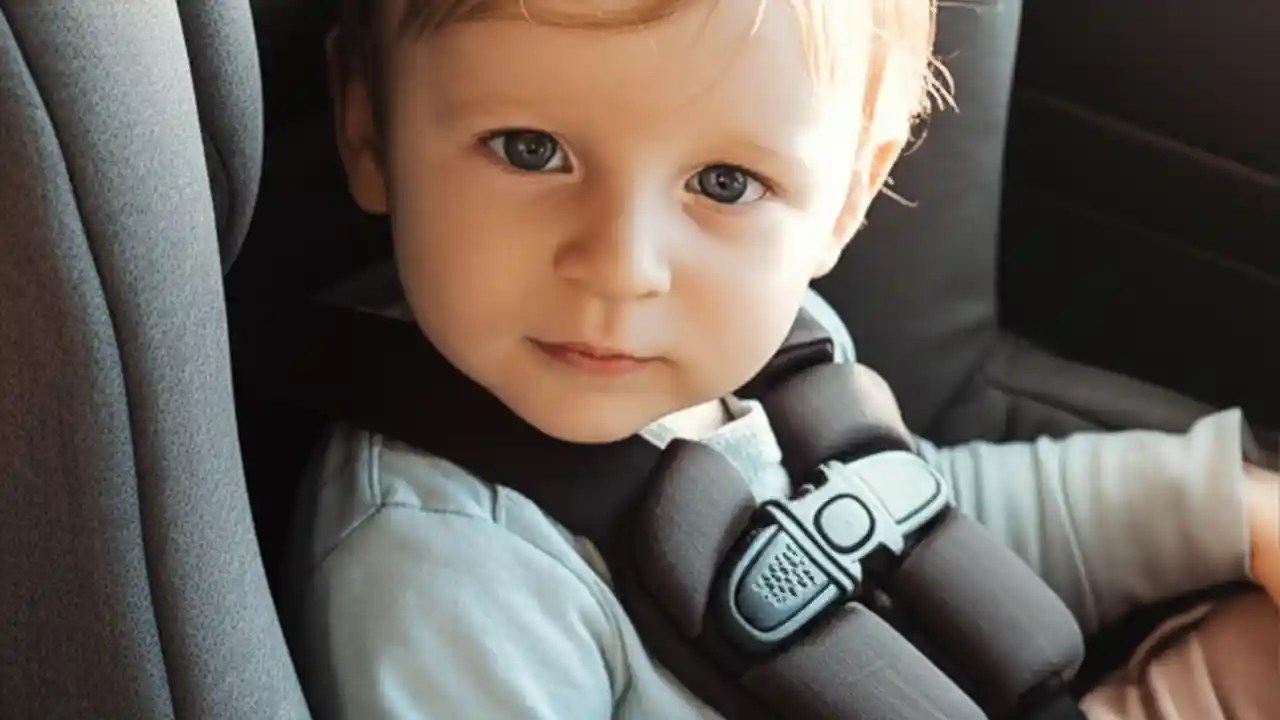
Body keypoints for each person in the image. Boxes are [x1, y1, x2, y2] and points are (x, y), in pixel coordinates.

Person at [286, 0, 1280, 717]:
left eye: (722, 183)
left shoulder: (773, 346)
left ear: (847, 198)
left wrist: (1223, 508)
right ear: (368, 129)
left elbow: (923, 526)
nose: (621, 268)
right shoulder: (448, 572)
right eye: (528, 149)